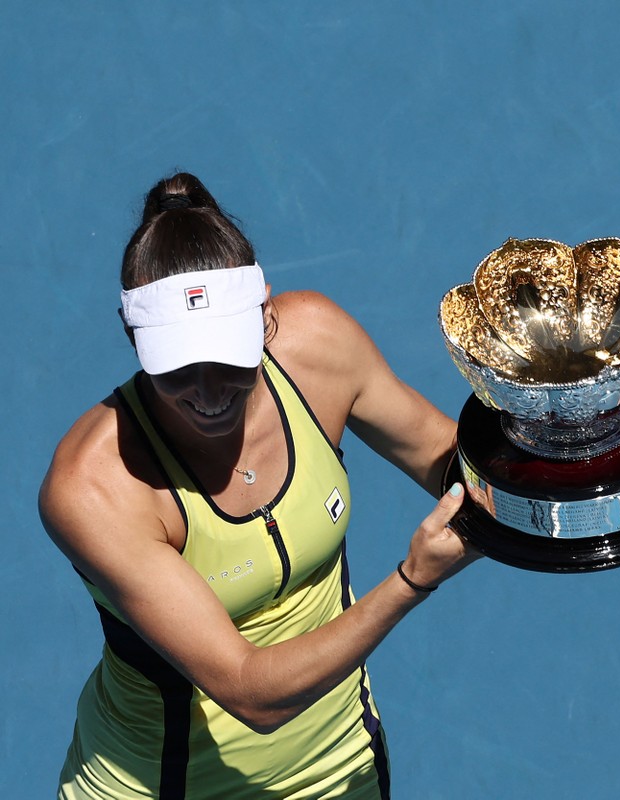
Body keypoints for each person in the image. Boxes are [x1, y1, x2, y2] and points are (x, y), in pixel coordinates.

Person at [39, 172, 477, 799]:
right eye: (177, 368)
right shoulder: (94, 486)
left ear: (266, 312)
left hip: (342, 768)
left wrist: (593, 453)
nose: (209, 391)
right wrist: (411, 581)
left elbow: (453, 465)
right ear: (131, 335)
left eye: (228, 356)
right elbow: (250, 692)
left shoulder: (318, 344)